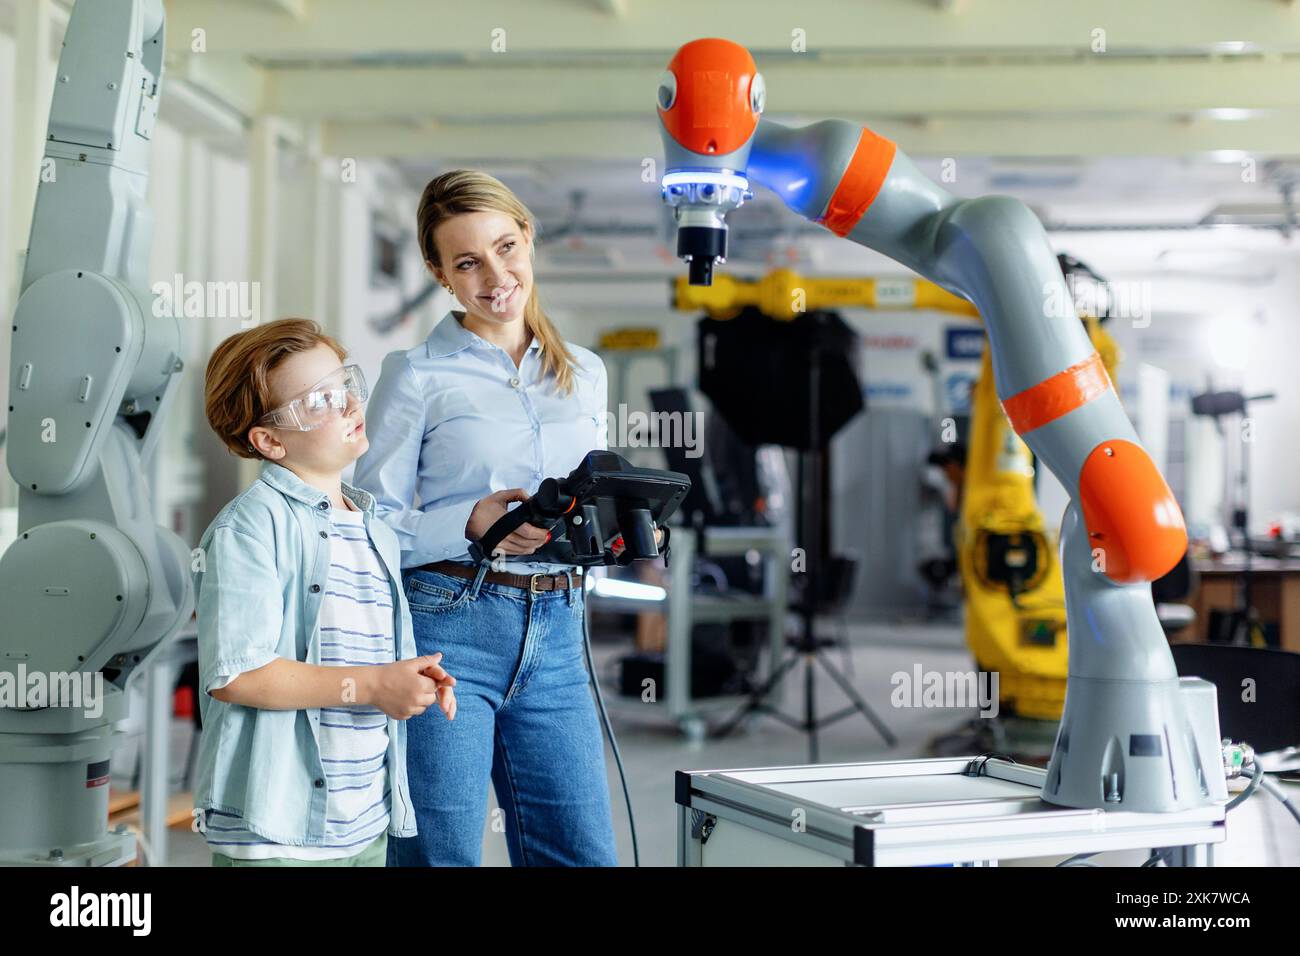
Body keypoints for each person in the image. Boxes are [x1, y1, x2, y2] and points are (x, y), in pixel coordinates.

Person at [353, 170, 619, 866]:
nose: (496, 276)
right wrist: (467, 523)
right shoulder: (415, 375)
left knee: (581, 853)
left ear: (528, 237)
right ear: (439, 273)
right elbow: (368, 523)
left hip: (559, 626)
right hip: (449, 627)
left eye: (506, 248)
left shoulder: (585, 372)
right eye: (467, 262)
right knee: (440, 854)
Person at [193, 317, 456, 867]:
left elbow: (357, 654)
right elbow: (237, 675)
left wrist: (407, 677)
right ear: (268, 440)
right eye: (319, 402)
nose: (349, 407)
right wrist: (374, 685)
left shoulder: (372, 526)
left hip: (363, 818)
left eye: (346, 387)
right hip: (279, 833)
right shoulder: (250, 527)